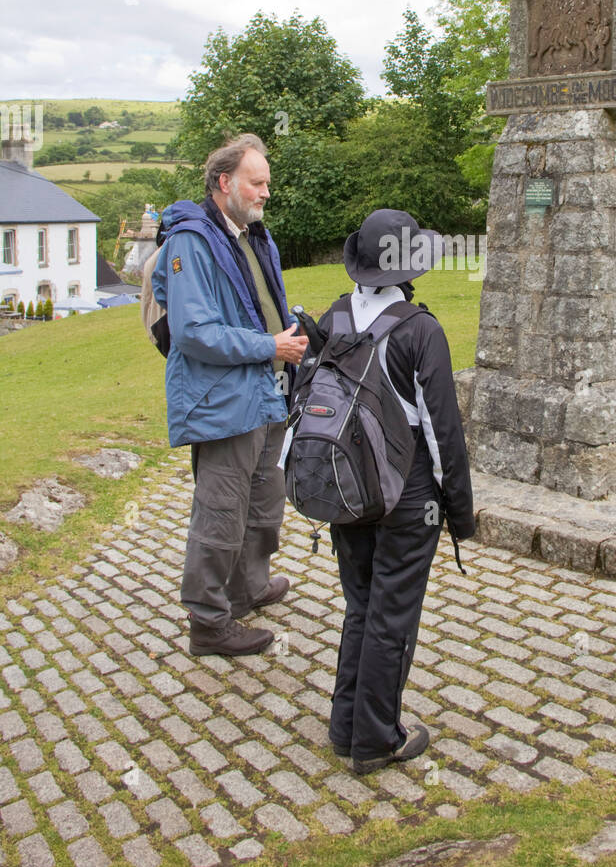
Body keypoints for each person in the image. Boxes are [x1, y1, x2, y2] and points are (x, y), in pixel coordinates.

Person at [317, 208, 475, 775]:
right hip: (406, 495)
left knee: (361, 606)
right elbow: (442, 431)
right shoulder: (419, 329)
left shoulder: (333, 318)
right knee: (393, 616)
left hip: (346, 485)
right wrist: (460, 511)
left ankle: (345, 726)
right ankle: (376, 740)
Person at [152, 134, 308, 656]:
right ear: (225, 183)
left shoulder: (253, 236)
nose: (266, 192)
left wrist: (291, 333)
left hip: (266, 388)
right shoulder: (190, 243)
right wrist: (271, 345)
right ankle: (209, 622)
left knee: (263, 501)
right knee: (220, 510)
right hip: (221, 397)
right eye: (257, 182)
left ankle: (249, 587)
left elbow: (260, 306)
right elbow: (195, 330)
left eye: (267, 182)